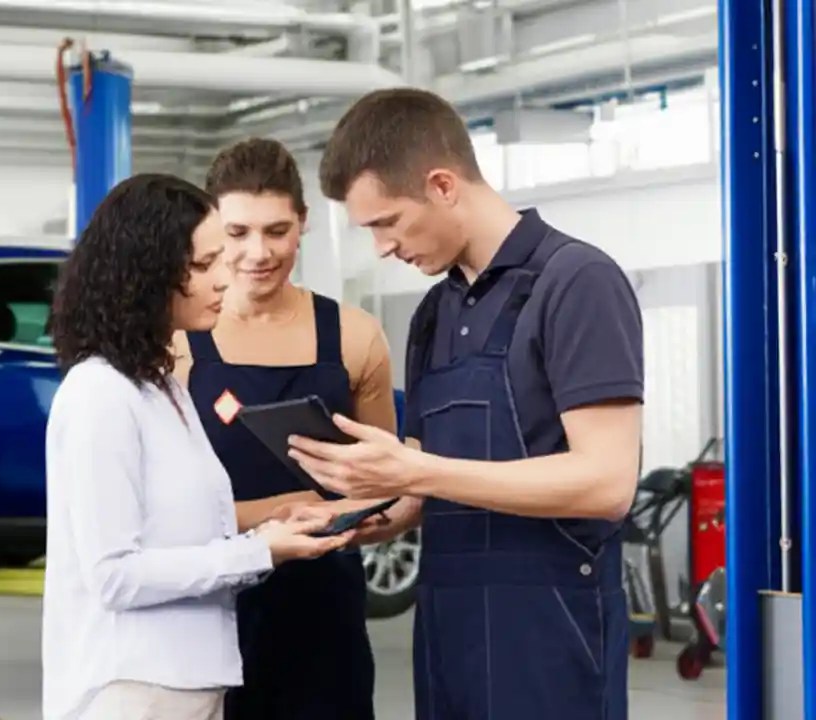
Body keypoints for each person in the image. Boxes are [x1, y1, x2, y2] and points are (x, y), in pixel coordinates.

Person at [289, 87, 644, 719]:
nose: (382, 248)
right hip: (449, 630)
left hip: (551, 634)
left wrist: (418, 471)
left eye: (387, 222)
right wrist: (380, 512)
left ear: (444, 185)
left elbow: (607, 481)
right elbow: (437, 477)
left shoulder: (576, 283)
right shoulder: (434, 313)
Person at [41, 173, 353, 720]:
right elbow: (114, 574)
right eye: (203, 266)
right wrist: (261, 551)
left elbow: (180, 533)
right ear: (147, 273)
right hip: (132, 689)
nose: (223, 282)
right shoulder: (100, 394)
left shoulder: (162, 388)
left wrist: (273, 526)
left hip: (189, 683)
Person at [169, 137, 402, 720]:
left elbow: (393, 488)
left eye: (277, 231)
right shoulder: (174, 344)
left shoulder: (354, 336)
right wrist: (279, 512)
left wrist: (360, 520)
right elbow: (158, 512)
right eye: (237, 233)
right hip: (209, 616)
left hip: (325, 618)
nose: (258, 252)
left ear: (303, 224)